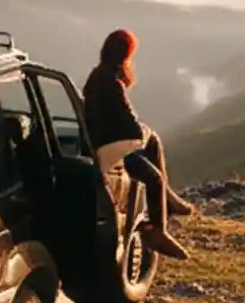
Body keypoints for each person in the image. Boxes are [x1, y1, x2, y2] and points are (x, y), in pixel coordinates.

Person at [82, 28, 194, 260]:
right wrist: (143, 130)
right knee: (154, 176)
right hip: (110, 149)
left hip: (107, 141)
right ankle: (158, 231)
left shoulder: (98, 75)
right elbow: (131, 126)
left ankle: (168, 199)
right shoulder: (112, 83)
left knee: (152, 141)